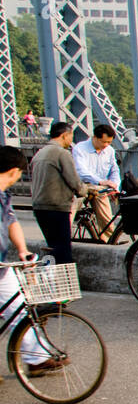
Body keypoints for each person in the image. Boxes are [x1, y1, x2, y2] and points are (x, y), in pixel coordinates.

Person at [0, 145, 64, 380]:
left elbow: (11, 222)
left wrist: (23, 250)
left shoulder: (3, 195)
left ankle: (36, 359)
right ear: (15, 171)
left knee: (19, 310)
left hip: (2, 267)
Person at [30, 122, 88, 265]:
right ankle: (67, 283)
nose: (71, 141)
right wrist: (86, 191)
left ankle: (53, 280)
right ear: (64, 135)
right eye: (71, 137)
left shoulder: (39, 153)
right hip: (56, 207)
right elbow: (75, 183)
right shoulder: (62, 154)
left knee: (53, 248)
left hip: (39, 207)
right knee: (63, 252)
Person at [71, 124, 120, 242]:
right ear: (95, 138)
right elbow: (81, 171)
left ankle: (109, 240)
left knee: (106, 216)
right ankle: (63, 237)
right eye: (104, 142)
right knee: (70, 208)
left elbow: (114, 170)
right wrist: (100, 181)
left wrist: (115, 185)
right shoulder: (80, 148)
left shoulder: (109, 151)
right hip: (82, 185)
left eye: (109, 142)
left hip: (99, 187)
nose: (106, 145)